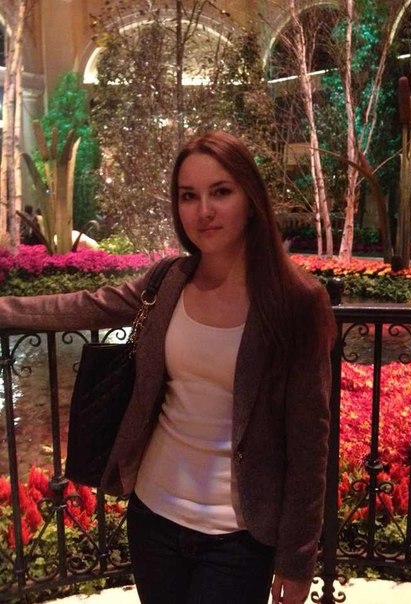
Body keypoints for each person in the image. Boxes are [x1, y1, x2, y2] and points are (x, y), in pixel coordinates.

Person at [0, 131, 335, 604]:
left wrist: (297, 559)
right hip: (154, 517)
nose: (204, 211)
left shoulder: (294, 301)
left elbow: (309, 443)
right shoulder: (170, 280)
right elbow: (83, 306)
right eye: (188, 196)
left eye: (221, 191)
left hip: (239, 538)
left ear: (250, 198)